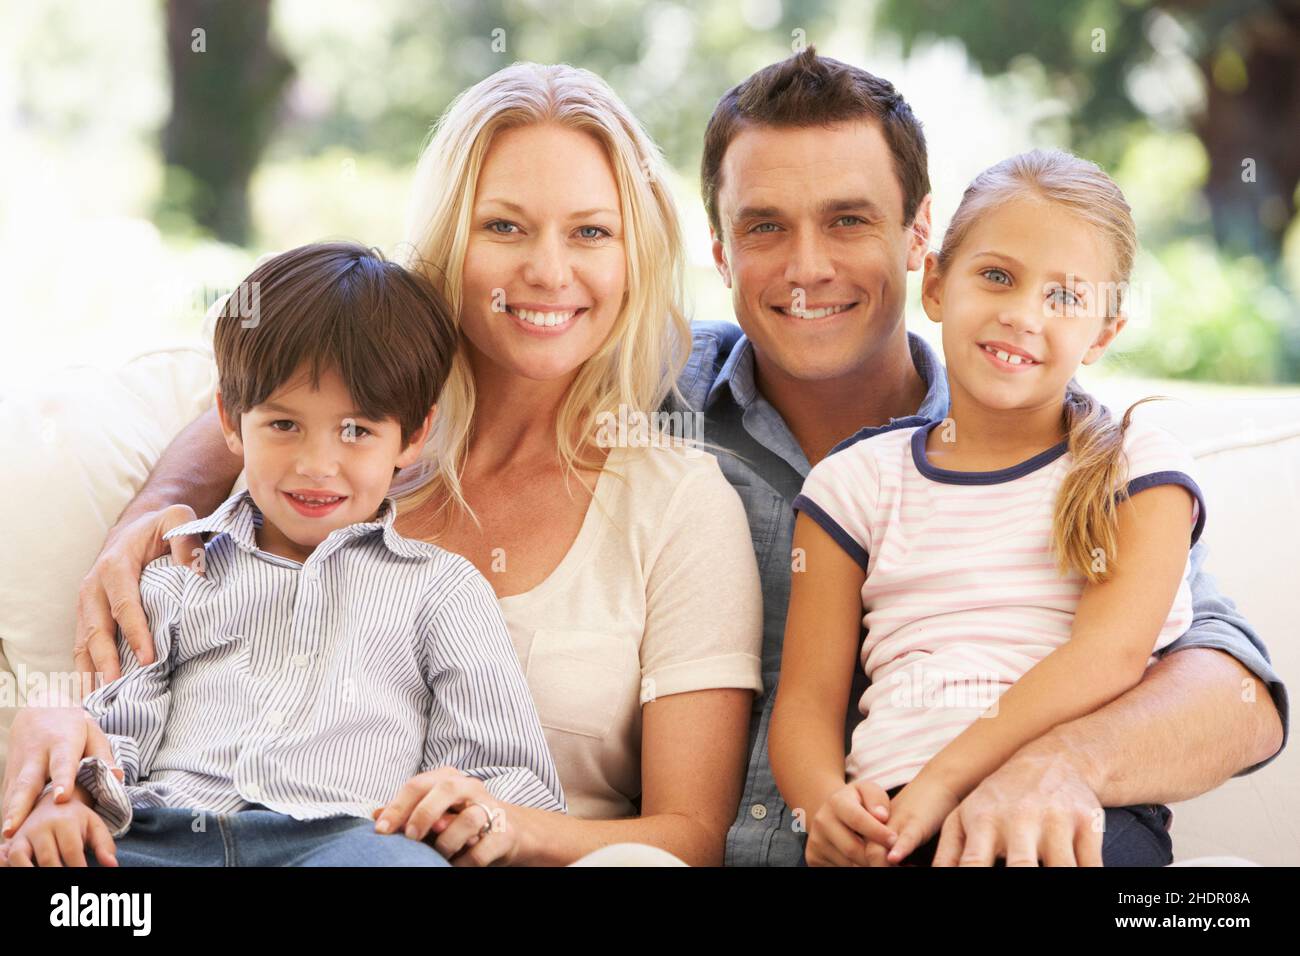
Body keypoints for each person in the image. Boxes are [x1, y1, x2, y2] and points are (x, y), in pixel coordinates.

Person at [2, 63, 763, 867]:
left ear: (636, 254)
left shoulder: (676, 505)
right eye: (503, 226)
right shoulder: (336, 446)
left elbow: (687, 838)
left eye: (591, 231)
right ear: (446, 239)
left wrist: (503, 826)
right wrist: (137, 532)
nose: (547, 271)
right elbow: (235, 399)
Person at [678, 47, 1286, 866]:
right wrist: (831, 804)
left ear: (916, 236)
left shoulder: (1116, 460)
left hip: (1044, 826)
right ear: (718, 250)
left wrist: (1047, 765)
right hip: (875, 831)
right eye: (764, 226)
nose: (808, 266)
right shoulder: (652, 398)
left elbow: (1239, 697)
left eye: (848, 219)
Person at [2, 242, 565, 867]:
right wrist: (68, 801)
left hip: (346, 841)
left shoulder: (442, 590)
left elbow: (512, 775)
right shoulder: (178, 573)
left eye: (357, 430)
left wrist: (469, 806)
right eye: (284, 425)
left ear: (412, 436)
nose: (316, 465)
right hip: (164, 838)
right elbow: (113, 730)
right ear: (230, 419)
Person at [772, 148, 1208, 867]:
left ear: (1103, 333)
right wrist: (824, 804)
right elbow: (806, 705)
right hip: (898, 816)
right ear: (938, 283)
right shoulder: (853, 482)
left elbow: (1109, 656)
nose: (1021, 316)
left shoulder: (1137, 464)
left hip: (1068, 811)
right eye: (997, 276)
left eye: (1063, 298)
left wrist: (949, 778)